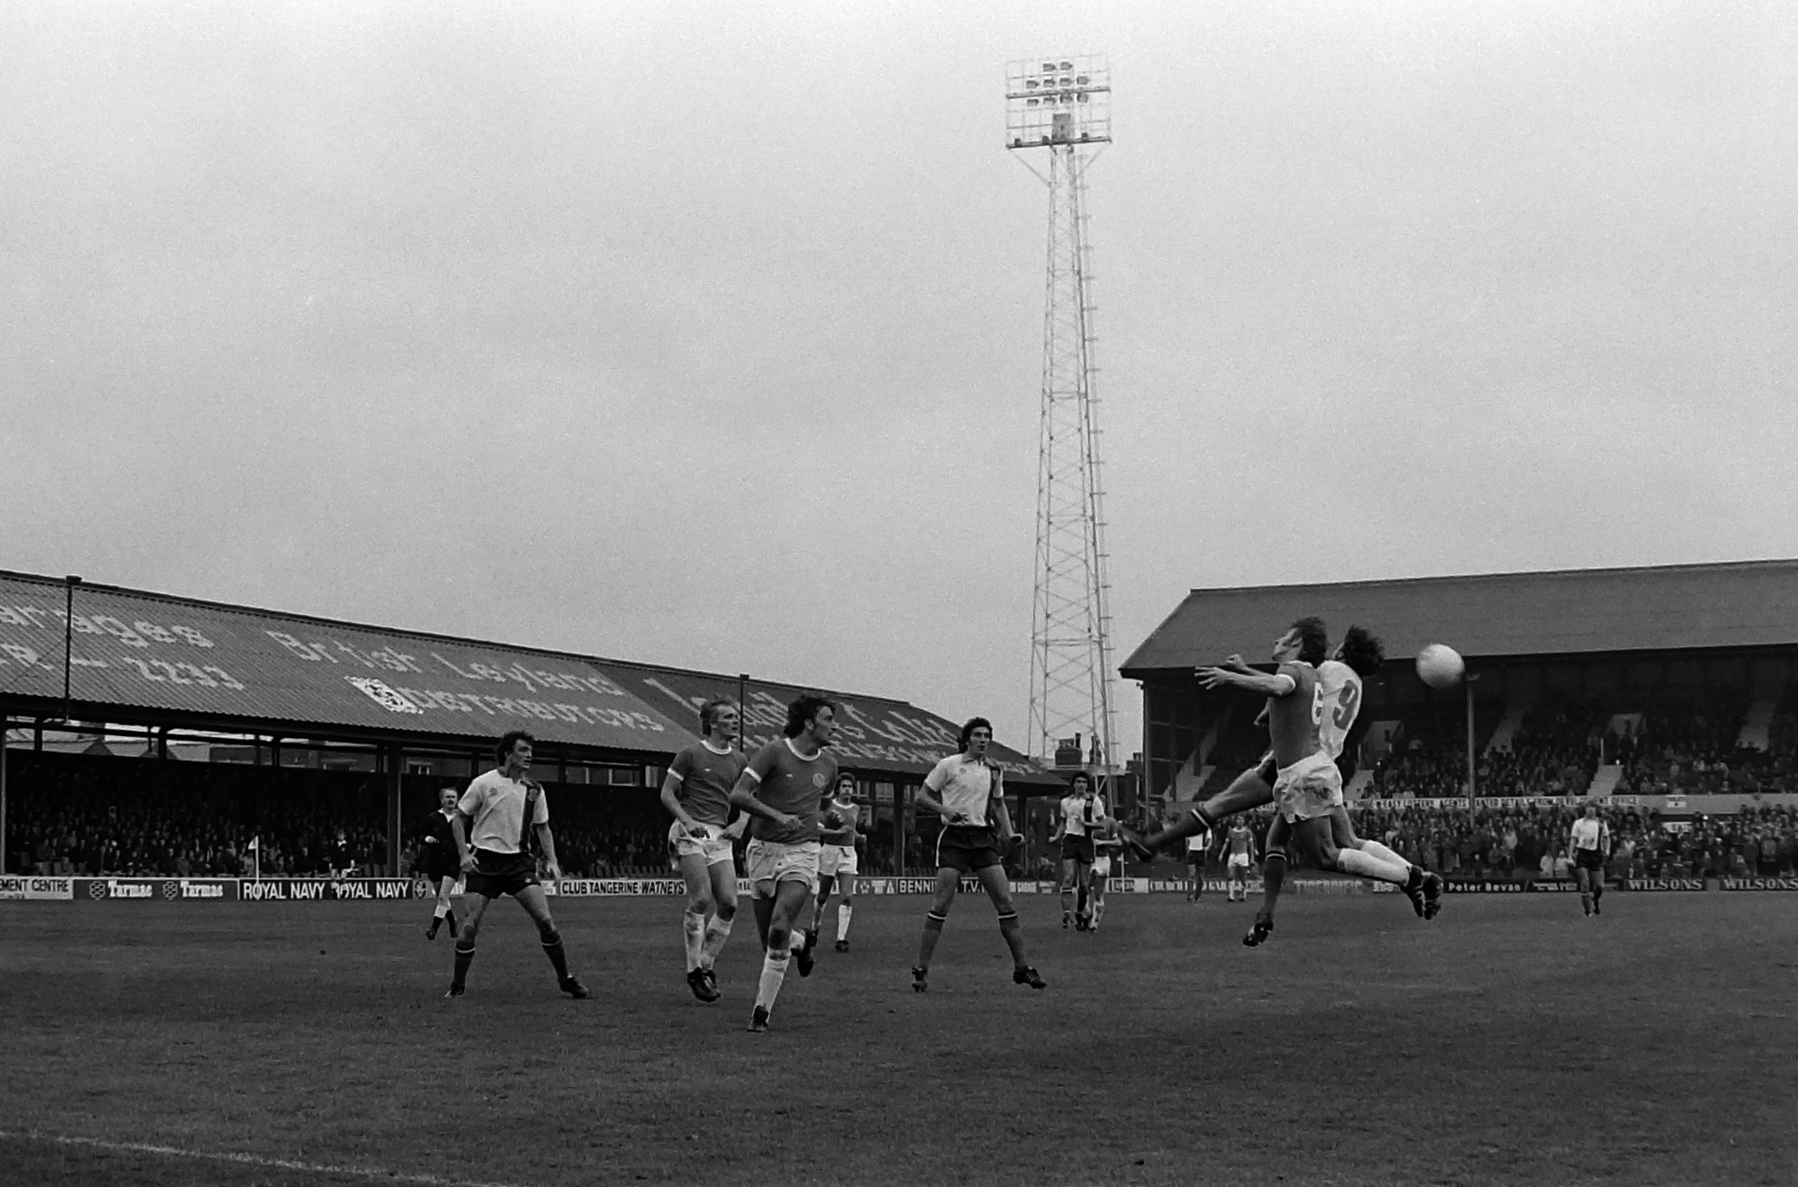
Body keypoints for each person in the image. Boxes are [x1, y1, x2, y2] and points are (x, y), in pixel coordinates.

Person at [446, 731, 588, 1000]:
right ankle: (457, 985)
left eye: (530, 751)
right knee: (469, 927)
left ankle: (565, 979)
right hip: (484, 861)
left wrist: (553, 861)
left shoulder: (534, 790)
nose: (529, 755)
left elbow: (543, 828)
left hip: (519, 864)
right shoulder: (483, 783)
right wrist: (464, 855)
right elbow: (458, 819)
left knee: (546, 921)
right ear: (508, 754)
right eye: (523, 750)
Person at [909, 717, 1046, 993]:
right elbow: (921, 797)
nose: (983, 740)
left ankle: (1023, 968)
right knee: (941, 905)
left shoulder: (994, 770)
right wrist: (946, 811)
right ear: (967, 739)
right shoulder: (949, 765)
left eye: (987, 736)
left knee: (1005, 901)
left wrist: (1009, 833)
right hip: (954, 839)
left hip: (983, 839)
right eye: (978, 735)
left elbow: (998, 805)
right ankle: (921, 968)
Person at [728, 694, 838, 1033]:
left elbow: (822, 803)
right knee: (771, 941)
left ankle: (761, 1013)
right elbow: (738, 794)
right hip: (763, 850)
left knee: (778, 927)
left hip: (803, 852)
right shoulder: (773, 752)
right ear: (809, 723)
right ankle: (801, 943)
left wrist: (826, 815)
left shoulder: (829, 765)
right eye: (828, 719)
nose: (833, 726)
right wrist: (777, 815)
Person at [659, 698, 749, 1004]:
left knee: (729, 904)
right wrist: (686, 820)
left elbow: (750, 798)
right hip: (690, 832)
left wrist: (741, 824)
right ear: (712, 723)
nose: (734, 720)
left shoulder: (739, 760)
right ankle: (693, 971)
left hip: (720, 835)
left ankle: (707, 964)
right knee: (700, 898)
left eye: (736, 716)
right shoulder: (691, 754)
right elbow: (667, 793)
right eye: (727, 716)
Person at [811, 770, 866, 953]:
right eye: (844, 786)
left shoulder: (856, 809)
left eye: (850, 786)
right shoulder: (828, 806)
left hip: (848, 853)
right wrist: (836, 833)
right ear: (838, 788)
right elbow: (818, 830)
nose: (847, 789)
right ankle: (815, 925)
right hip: (829, 852)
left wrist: (859, 836)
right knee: (822, 896)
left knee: (847, 896)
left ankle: (841, 938)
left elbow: (850, 830)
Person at [1052, 771, 1110, 930]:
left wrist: (1086, 824)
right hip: (1070, 840)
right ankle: (1065, 914)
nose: (1081, 785)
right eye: (1078, 781)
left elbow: (1103, 824)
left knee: (1084, 885)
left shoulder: (1094, 801)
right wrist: (1056, 836)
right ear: (1073, 784)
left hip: (1086, 842)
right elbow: (1063, 823)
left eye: (1084, 782)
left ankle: (1079, 912)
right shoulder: (1065, 802)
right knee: (1068, 877)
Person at [420, 787, 463, 940]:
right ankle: (452, 921)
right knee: (441, 896)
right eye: (448, 797)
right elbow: (421, 835)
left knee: (443, 895)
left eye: (453, 797)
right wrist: (428, 839)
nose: (451, 800)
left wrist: (468, 846)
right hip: (436, 860)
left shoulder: (462, 818)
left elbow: (471, 837)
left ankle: (433, 929)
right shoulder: (433, 818)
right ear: (442, 800)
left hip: (453, 861)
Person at [1568, 803, 1610, 916]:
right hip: (1582, 854)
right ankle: (1587, 911)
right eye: (1588, 808)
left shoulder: (1601, 823)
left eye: (1593, 808)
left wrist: (1606, 851)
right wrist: (1570, 856)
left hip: (1596, 855)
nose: (1591, 810)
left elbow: (1606, 837)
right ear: (1585, 809)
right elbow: (1573, 840)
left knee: (1599, 886)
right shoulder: (1579, 823)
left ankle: (1595, 900)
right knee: (1585, 883)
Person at [1089, 825, 1121, 930]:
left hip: (1102, 860)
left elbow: (1118, 842)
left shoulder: (1109, 823)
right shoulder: (1086, 819)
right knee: (1084, 889)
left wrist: (1101, 842)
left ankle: (1094, 924)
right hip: (1089, 860)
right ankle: (1085, 915)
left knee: (1098, 893)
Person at [1223, 821, 1256, 902]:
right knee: (1231, 875)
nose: (1240, 822)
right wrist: (1222, 853)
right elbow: (1226, 843)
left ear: (1243, 821)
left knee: (1242, 876)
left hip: (1243, 855)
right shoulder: (1231, 831)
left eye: (1241, 820)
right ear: (1236, 821)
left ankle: (1243, 894)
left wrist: (1252, 857)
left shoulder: (1247, 832)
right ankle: (1231, 896)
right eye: (1238, 820)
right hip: (1233, 855)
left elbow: (1251, 846)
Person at [1184, 825, 1211, 901]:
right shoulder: (1190, 827)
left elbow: (1209, 839)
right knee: (1191, 874)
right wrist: (1187, 849)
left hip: (1201, 852)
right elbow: (1186, 840)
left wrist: (1207, 848)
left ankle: (1198, 895)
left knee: (1200, 875)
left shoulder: (1205, 828)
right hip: (1192, 851)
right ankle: (1190, 894)